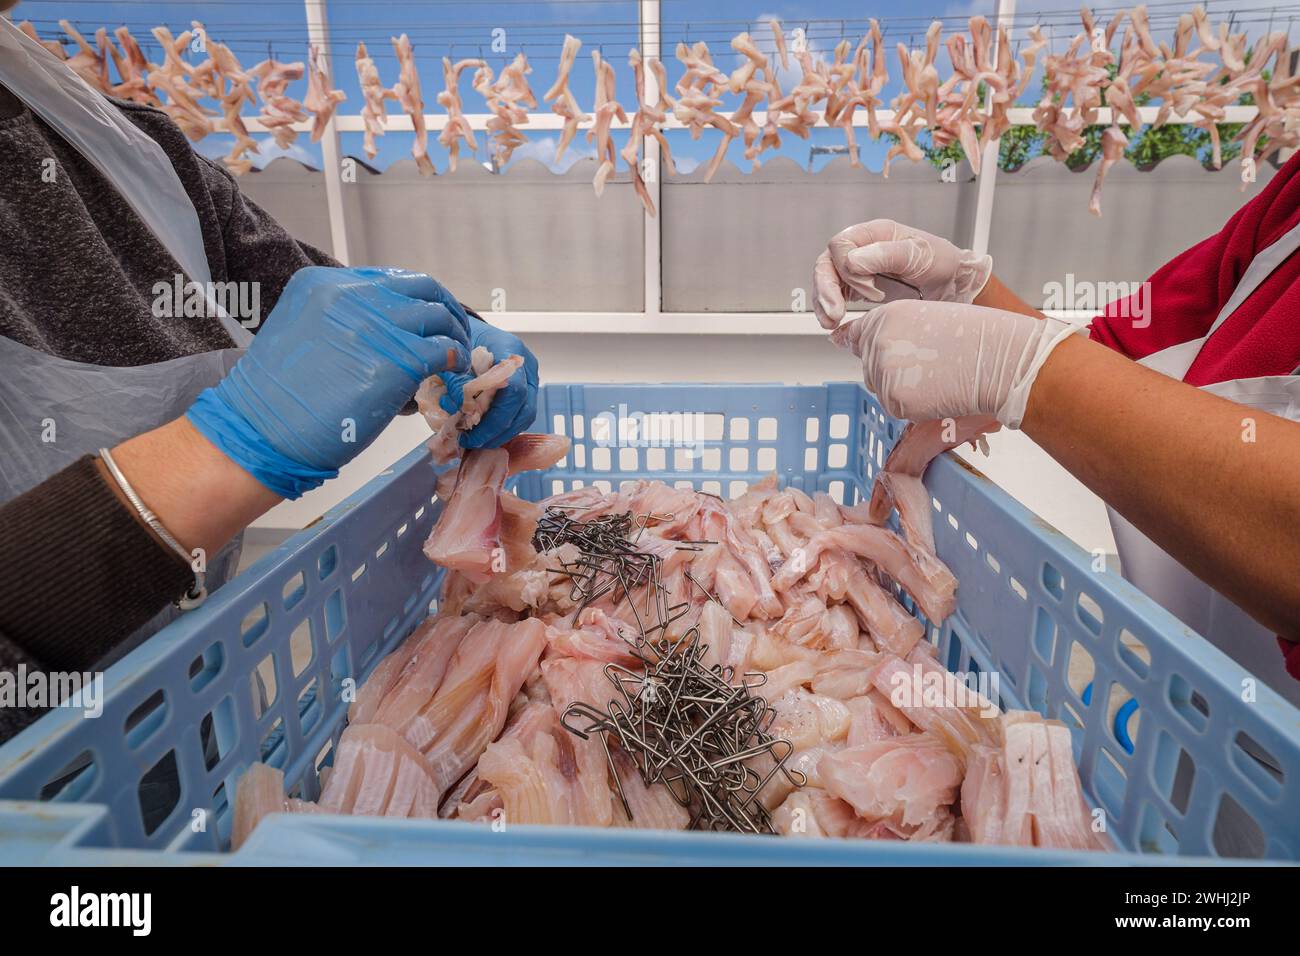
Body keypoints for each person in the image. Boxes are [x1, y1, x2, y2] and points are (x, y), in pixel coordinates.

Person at [0, 13, 538, 740]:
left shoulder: (125, 145)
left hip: (192, 688)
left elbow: (312, 293)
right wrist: (220, 452)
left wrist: (462, 344)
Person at [813, 152, 1300, 706]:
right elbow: (1118, 357)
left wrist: (1020, 368)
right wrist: (971, 298)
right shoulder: (1291, 199)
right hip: (1200, 694)